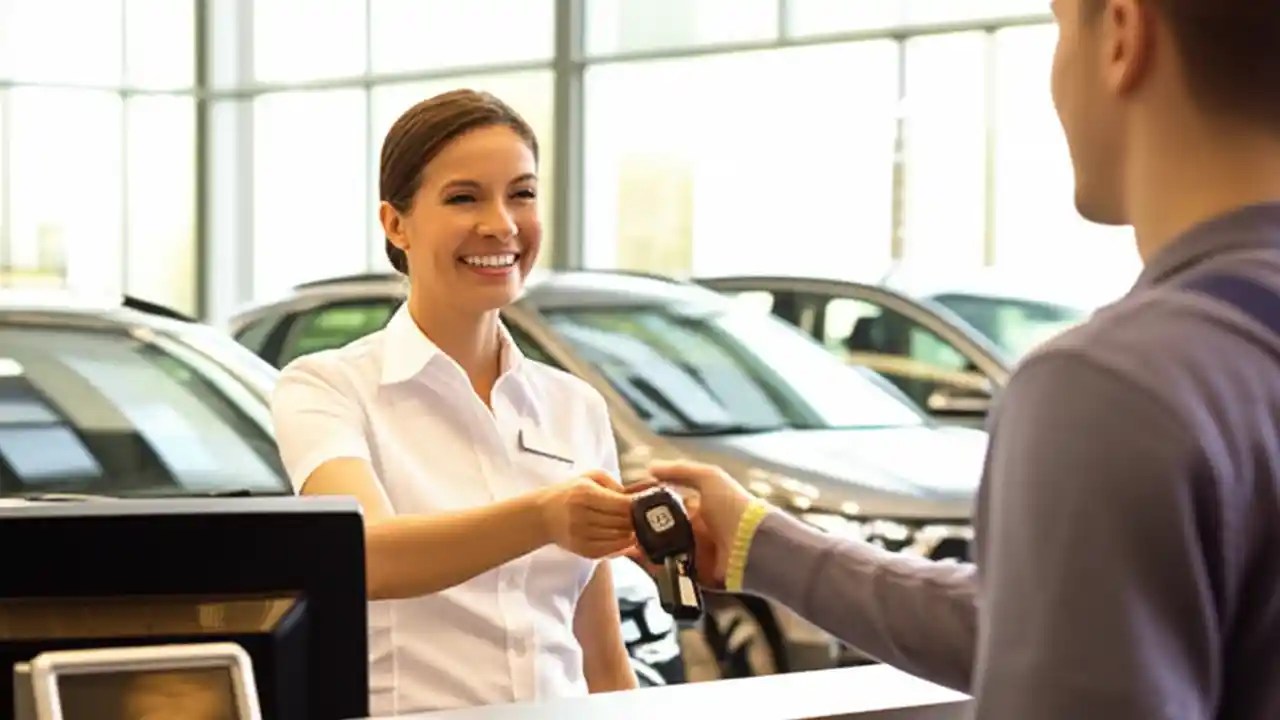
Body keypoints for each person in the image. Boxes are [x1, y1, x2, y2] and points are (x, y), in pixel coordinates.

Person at [632, 0, 1280, 717]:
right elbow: (1053, 623)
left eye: (1061, 27)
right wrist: (763, 543)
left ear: (1123, 35)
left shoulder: (1116, 387)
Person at [270, 89, 639, 715]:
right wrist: (545, 517)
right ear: (395, 223)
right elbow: (370, 556)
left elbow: (599, 652)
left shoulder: (575, 406)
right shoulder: (329, 387)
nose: (501, 223)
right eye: (465, 197)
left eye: (521, 193)